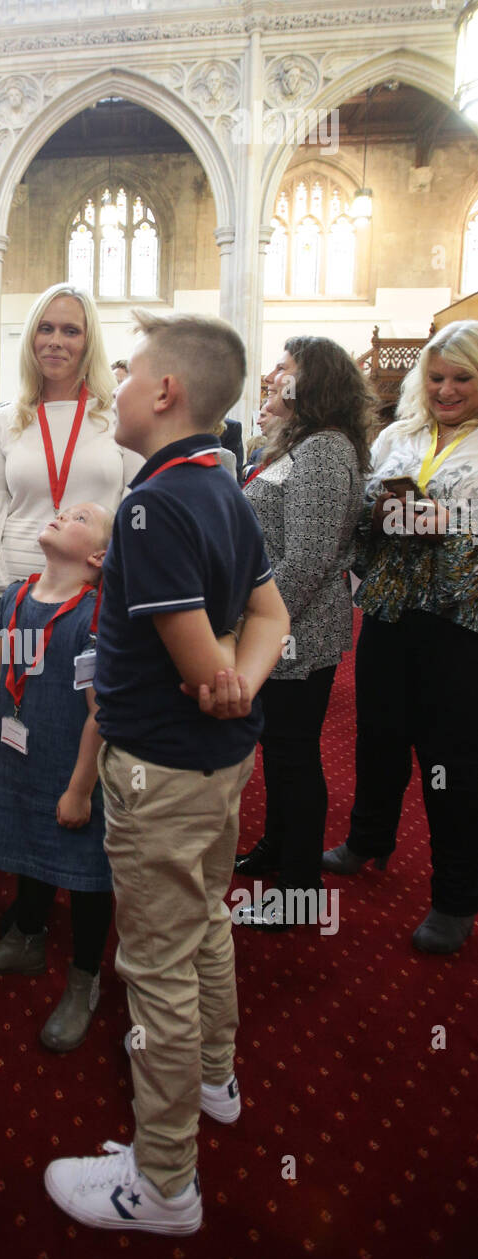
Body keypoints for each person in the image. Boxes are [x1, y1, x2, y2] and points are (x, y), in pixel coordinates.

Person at [44, 313, 289, 1235]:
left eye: (131, 365)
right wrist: (241, 680)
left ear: (166, 393)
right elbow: (269, 619)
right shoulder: (221, 488)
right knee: (204, 929)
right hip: (218, 762)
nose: (118, 373)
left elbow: (195, 661)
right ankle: (215, 1080)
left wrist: (217, 677)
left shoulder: (150, 505)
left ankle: (162, 1184)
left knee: (153, 966)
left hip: (158, 770)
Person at [323, 320, 478, 955]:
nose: (446, 390)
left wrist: (454, 524)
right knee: (380, 734)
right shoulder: (397, 435)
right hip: (389, 612)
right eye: (436, 377)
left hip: (459, 627)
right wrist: (379, 512)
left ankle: (455, 898)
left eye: (462, 378)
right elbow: (360, 511)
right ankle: (368, 838)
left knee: (450, 760)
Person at [232, 337, 376, 928]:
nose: (272, 375)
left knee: (293, 757)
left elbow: (309, 559)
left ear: (312, 383)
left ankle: (299, 890)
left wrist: (258, 630)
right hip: (283, 629)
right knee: (282, 752)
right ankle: (279, 850)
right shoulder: (303, 445)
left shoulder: (322, 450)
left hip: (295, 634)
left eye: (285, 368)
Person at [0, 502, 114, 1050]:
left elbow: (101, 711)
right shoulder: (15, 597)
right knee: (27, 838)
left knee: (86, 866)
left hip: (72, 765)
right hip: (19, 753)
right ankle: (27, 935)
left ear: (98, 556)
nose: (59, 514)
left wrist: (79, 788)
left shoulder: (95, 615)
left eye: (79, 518)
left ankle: (84, 976)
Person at [0, 282, 139, 651]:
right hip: (18, 595)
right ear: (31, 337)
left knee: (90, 706)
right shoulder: (3, 421)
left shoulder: (119, 416)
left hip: (97, 595)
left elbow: (136, 508)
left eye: (71, 331)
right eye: (46, 328)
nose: (56, 340)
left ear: (89, 342)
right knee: (14, 706)